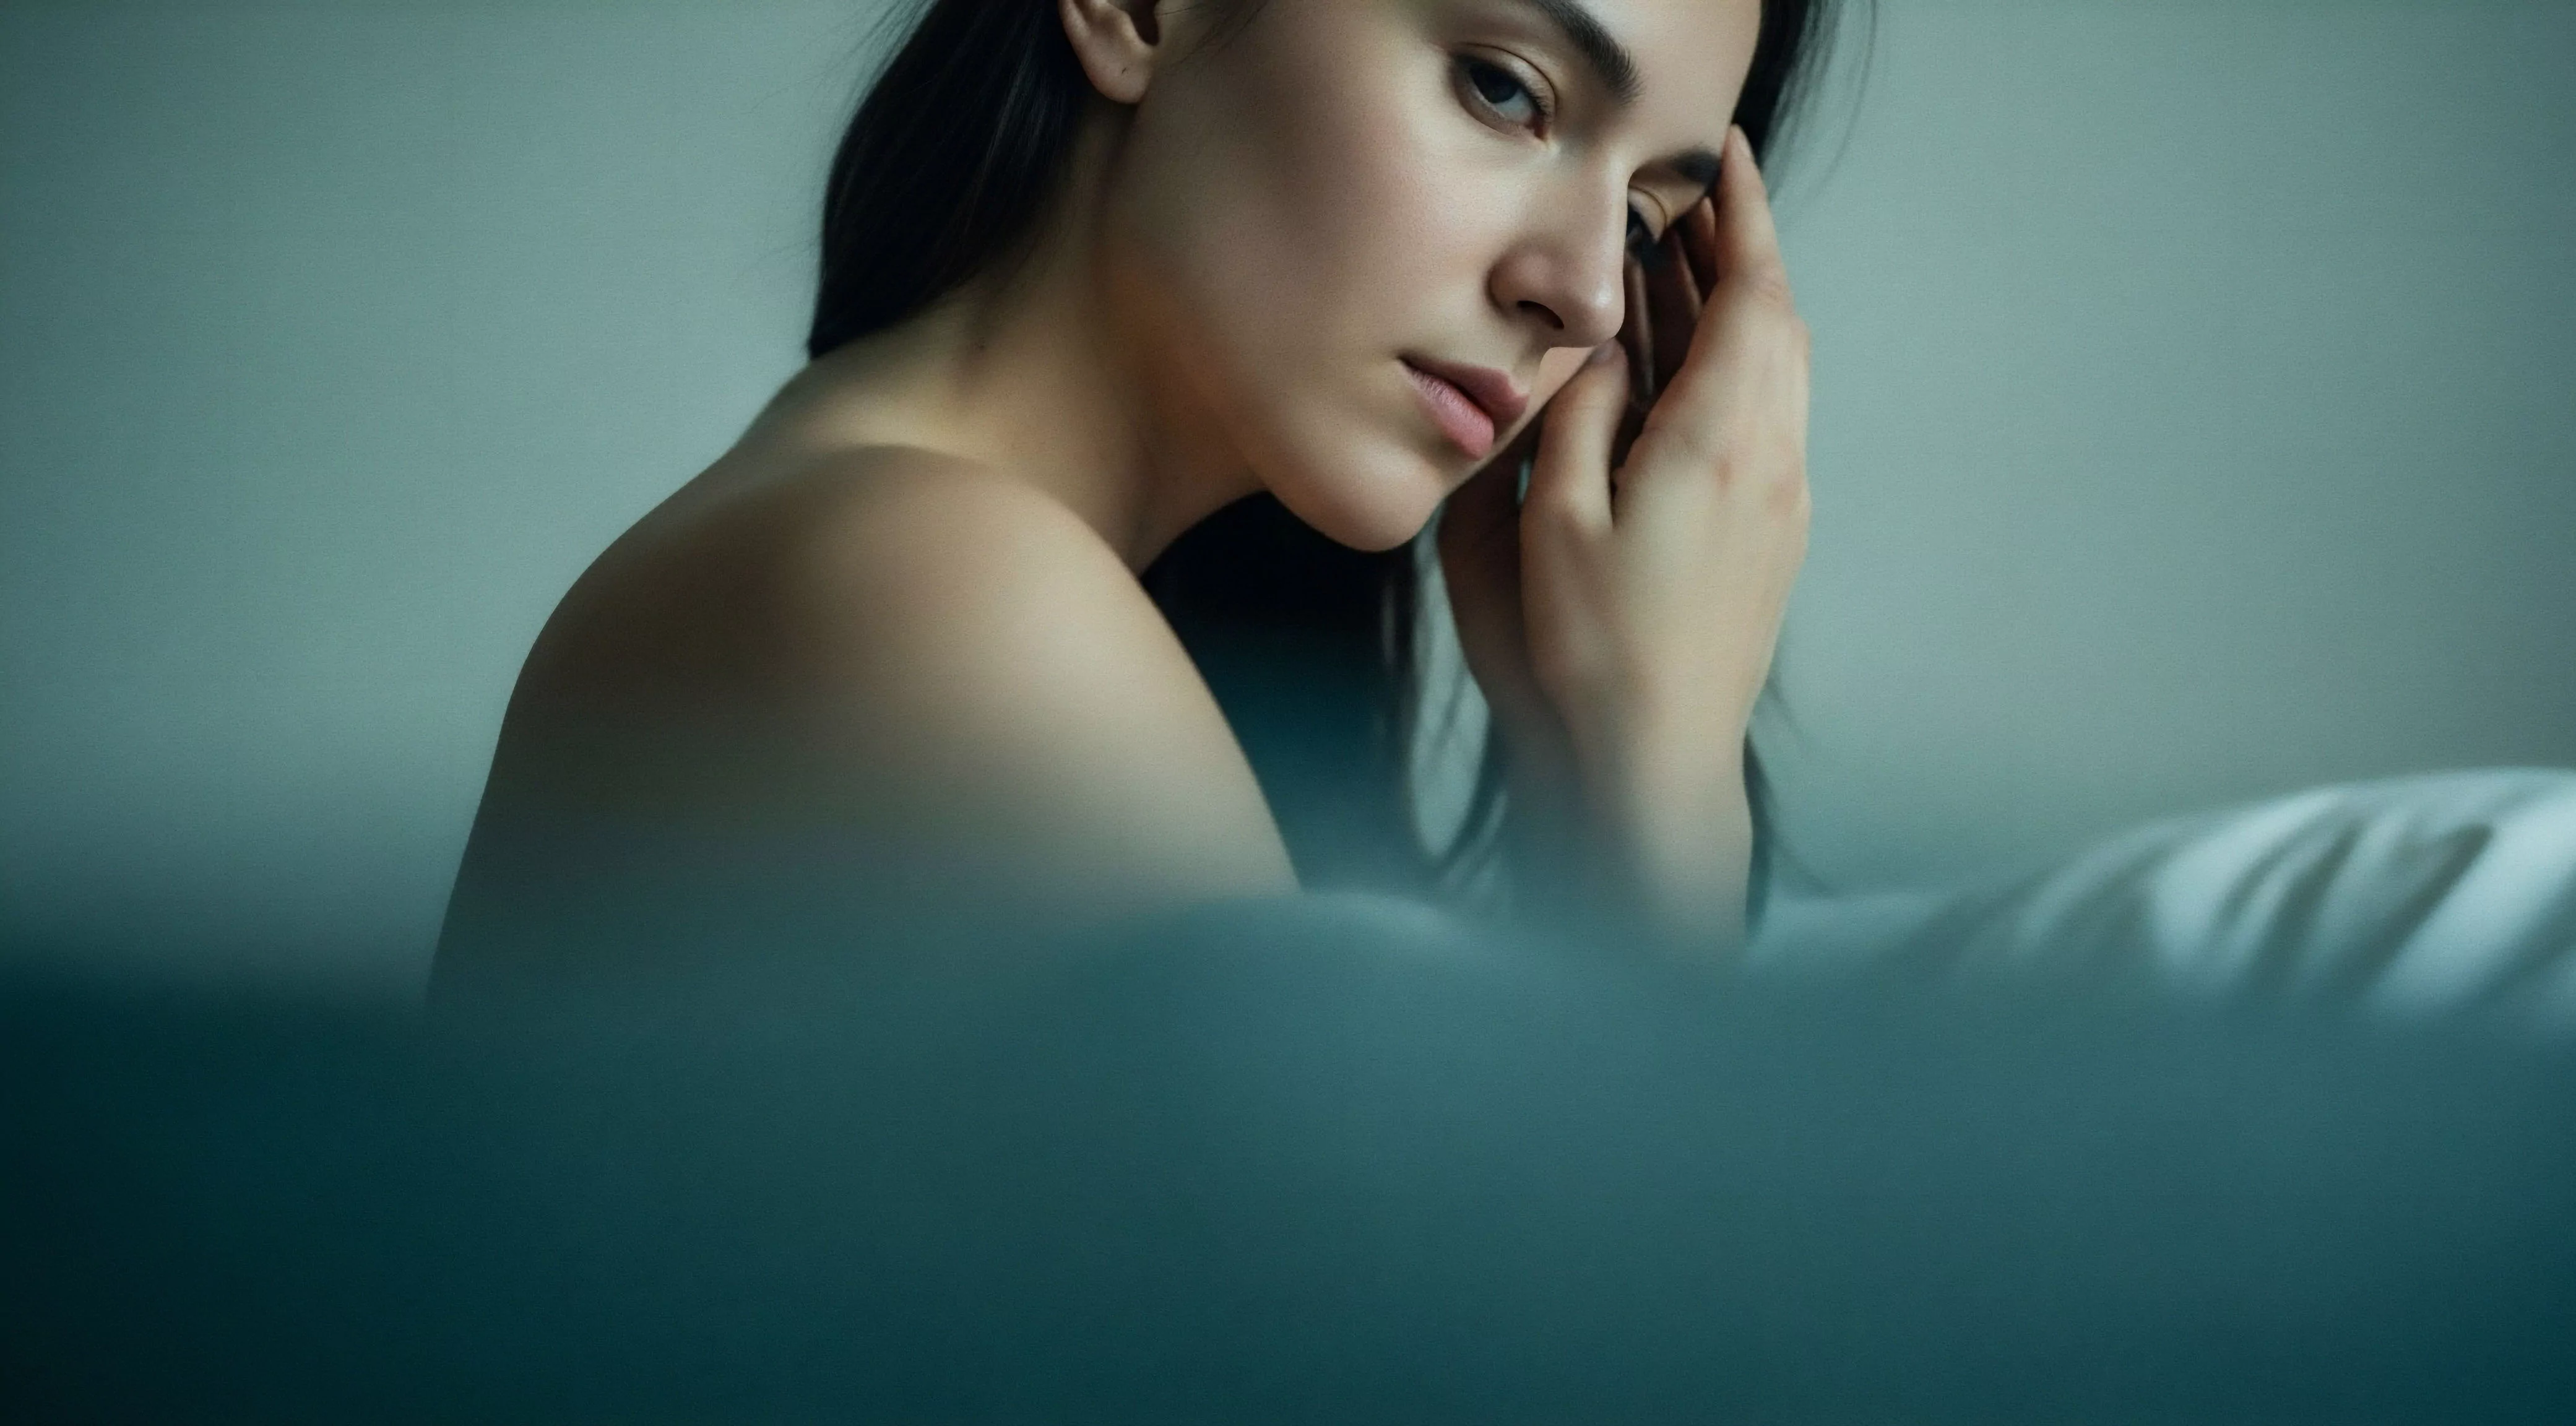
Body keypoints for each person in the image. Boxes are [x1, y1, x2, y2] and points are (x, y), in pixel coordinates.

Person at [430, 0, 1835, 996]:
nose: (1586, 291)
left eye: (1649, 215)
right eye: (1504, 88)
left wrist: (1580, 772)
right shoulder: (946, 599)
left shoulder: (885, 545)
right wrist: (1665, 811)